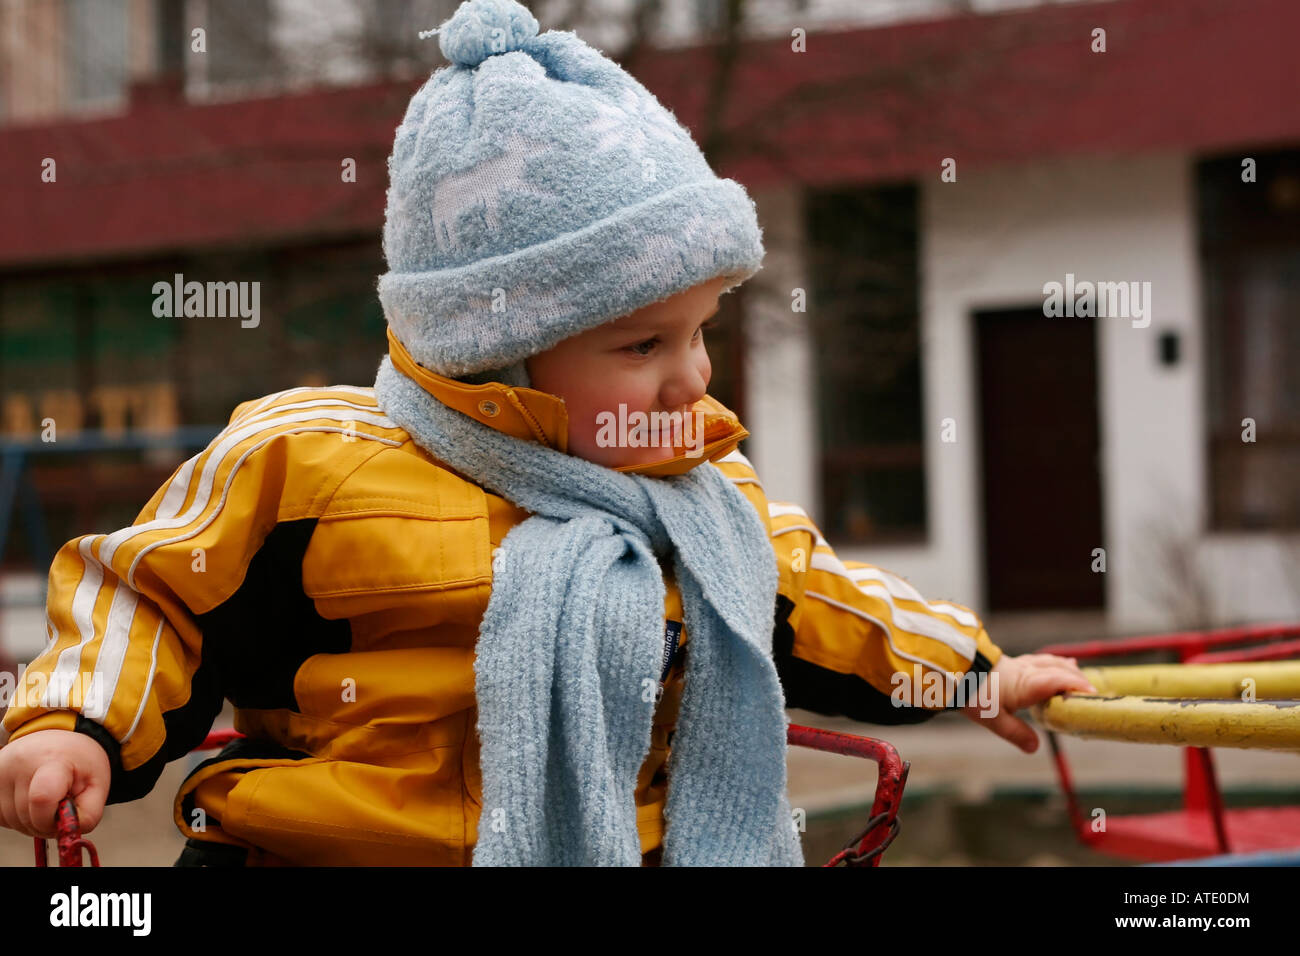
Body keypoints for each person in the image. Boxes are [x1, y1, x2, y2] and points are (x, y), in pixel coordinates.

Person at [0, 0, 1095, 866]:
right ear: (500, 351)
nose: (691, 376)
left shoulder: (699, 503)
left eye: (700, 330)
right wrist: (71, 725)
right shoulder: (307, 462)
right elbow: (146, 593)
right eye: (639, 345)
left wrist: (971, 671)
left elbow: (819, 606)